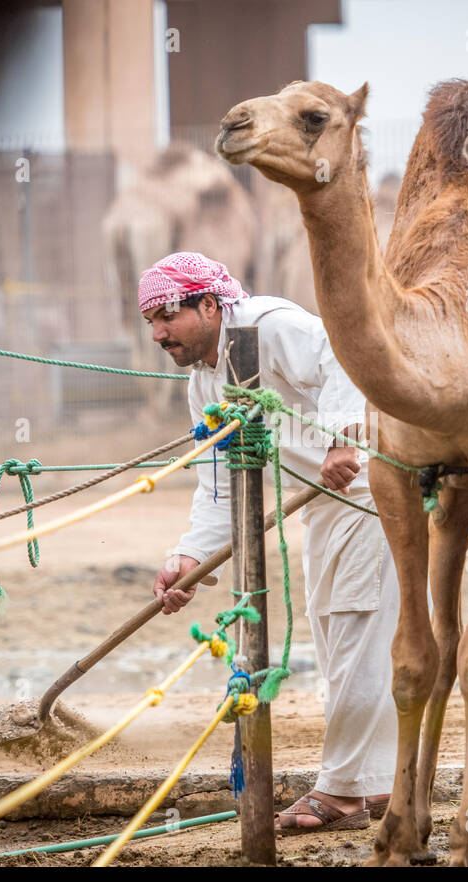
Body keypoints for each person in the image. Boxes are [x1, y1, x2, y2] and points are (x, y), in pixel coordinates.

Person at [140, 251, 396, 833]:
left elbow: (343, 355)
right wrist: (188, 559)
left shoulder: (266, 324)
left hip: (372, 490)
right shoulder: (204, 381)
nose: (157, 333)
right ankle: (379, 784)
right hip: (327, 506)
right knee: (338, 638)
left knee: (357, 629)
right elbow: (221, 486)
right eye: (150, 321)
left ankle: (342, 793)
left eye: (167, 316)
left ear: (209, 305)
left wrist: (343, 438)